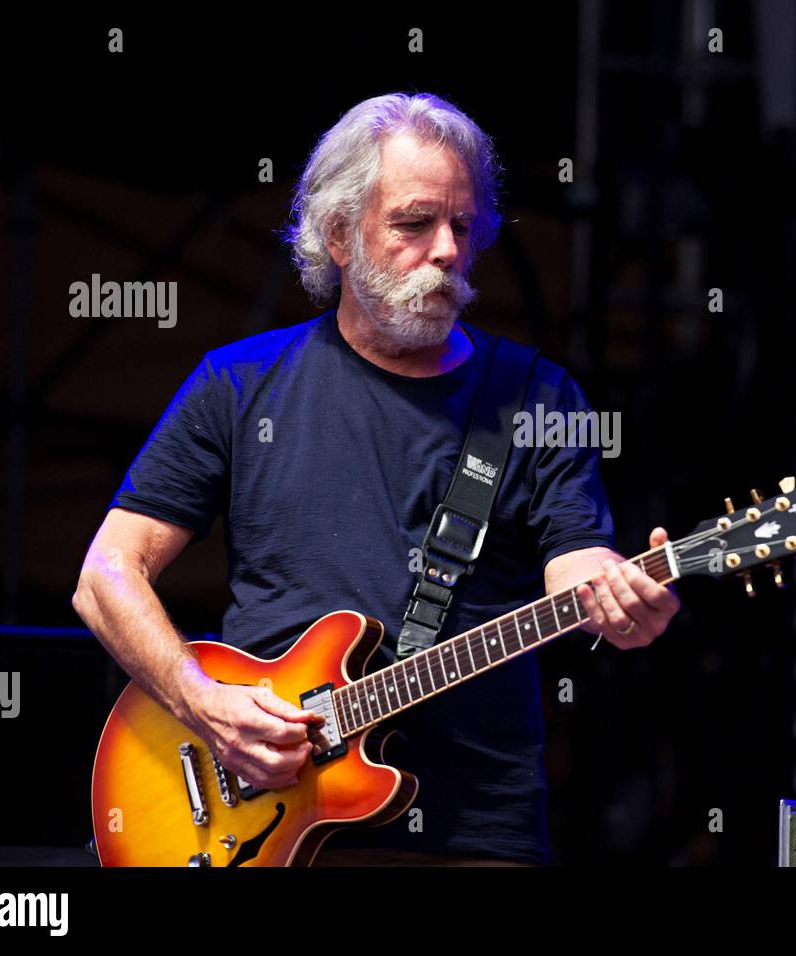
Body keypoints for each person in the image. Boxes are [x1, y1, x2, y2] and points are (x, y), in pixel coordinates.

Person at [70, 93, 680, 866]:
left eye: (463, 226)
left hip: (475, 829)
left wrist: (616, 595)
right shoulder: (238, 384)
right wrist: (207, 705)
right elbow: (106, 575)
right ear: (339, 234)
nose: (448, 249)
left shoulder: (535, 396)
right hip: (261, 819)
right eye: (415, 223)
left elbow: (576, 557)